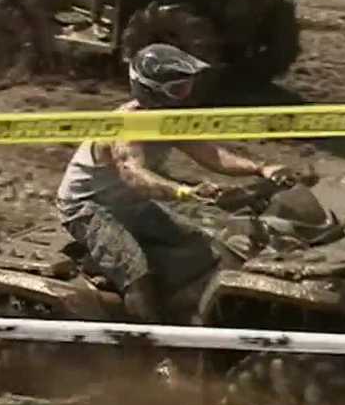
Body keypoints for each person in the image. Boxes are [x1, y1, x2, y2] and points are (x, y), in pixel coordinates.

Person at [56, 43, 292, 323]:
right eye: (178, 90)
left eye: (187, 87)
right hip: (86, 207)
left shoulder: (166, 119)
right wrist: (183, 191)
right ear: (150, 91)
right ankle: (152, 345)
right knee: (136, 271)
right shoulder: (125, 125)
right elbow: (134, 174)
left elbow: (211, 154)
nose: (186, 96)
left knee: (201, 243)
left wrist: (261, 169)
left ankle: (182, 307)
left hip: (128, 203)